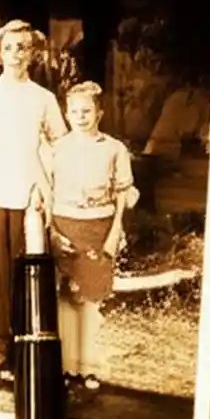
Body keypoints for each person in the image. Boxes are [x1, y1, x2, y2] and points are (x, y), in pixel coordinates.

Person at [0, 20, 68, 386]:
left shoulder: (43, 98)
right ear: (0, 52)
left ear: (32, 53)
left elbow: (59, 145)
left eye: (22, 47)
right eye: (9, 47)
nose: (16, 54)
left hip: (30, 198)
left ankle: (22, 355)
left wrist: (43, 185)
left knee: (27, 276)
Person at [49, 81, 138, 390]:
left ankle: (88, 366)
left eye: (87, 111)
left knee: (89, 299)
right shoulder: (57, 148)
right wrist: (52, 232)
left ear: (99, 113)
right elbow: (45, 194)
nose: (80, 117)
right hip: (64, 225)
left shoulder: (114, 149)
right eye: (74, 111)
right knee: (65, 298)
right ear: (66, 113)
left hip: (98, 226)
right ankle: (65, 365)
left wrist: (114, 233)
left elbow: (122, 195)